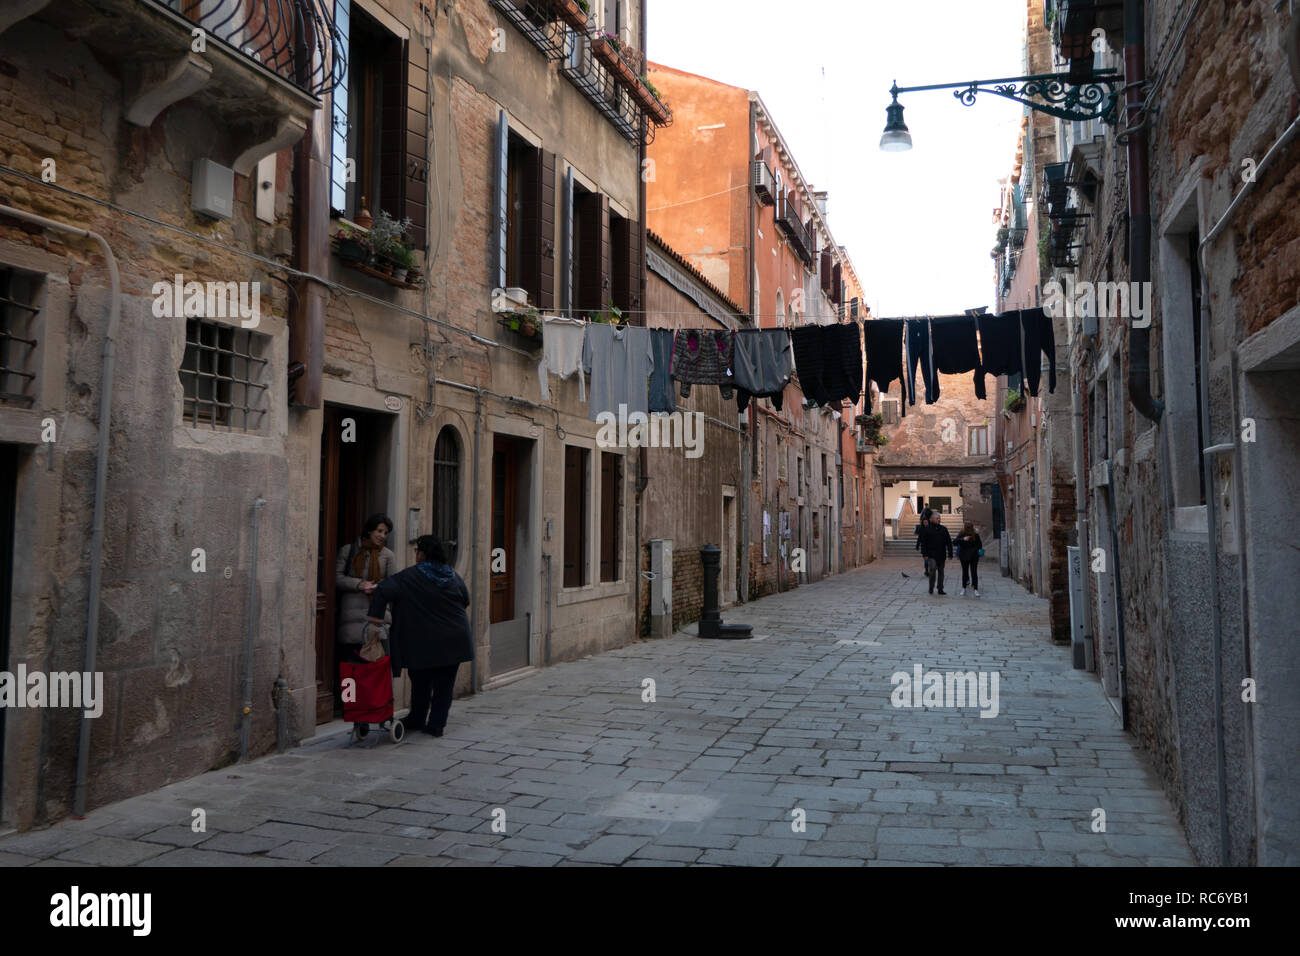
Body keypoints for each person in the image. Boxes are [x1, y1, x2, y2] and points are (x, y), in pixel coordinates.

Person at [366, 536, 473, 738]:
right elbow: (465, 600)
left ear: (422, 554)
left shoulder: (410, 576)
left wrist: (375, 621)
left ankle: (417, 718)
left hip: (423, 640)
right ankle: (436, 725)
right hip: (455, 638)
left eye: (417, 551)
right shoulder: (452, 575)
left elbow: (383, 590)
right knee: (445, 685)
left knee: (421, 681)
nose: (416, 555)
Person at [916, 508, 954, 595]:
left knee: (941, 572)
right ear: (931, 519)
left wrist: (950, 553)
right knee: (932, 570)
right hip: (931, 554)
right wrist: (924, 554)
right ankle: (931, 587)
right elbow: (923, 543)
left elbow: (948, 542)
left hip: (941, 554)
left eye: (939, 518)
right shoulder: (927, 529)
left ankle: (940, 588)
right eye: (937, 518)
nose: (939, 519)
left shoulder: (944, 529)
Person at [954, 522, 984, 597]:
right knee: (965, 572)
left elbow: (980, 545)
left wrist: (974, 549)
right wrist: (963, 539)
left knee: (973, 572)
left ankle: (975, 589)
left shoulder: (975, 535)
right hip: (964, 556)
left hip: (973, 556)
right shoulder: (962, 534)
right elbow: (954, 542)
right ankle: (964, 588)